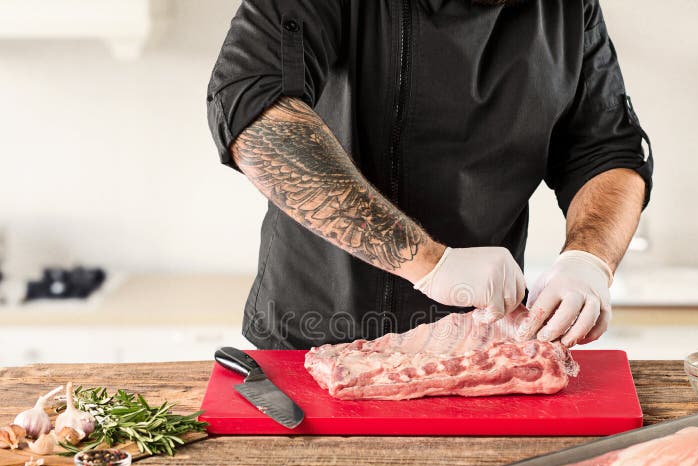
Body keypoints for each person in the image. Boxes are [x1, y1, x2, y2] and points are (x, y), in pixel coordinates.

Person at [207, 0, 653, 350]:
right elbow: (257, 115)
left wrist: (589, 260)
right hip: (314, 337)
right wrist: (429, 262)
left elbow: (607, 149)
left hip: (483, 344)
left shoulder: (570, 8)